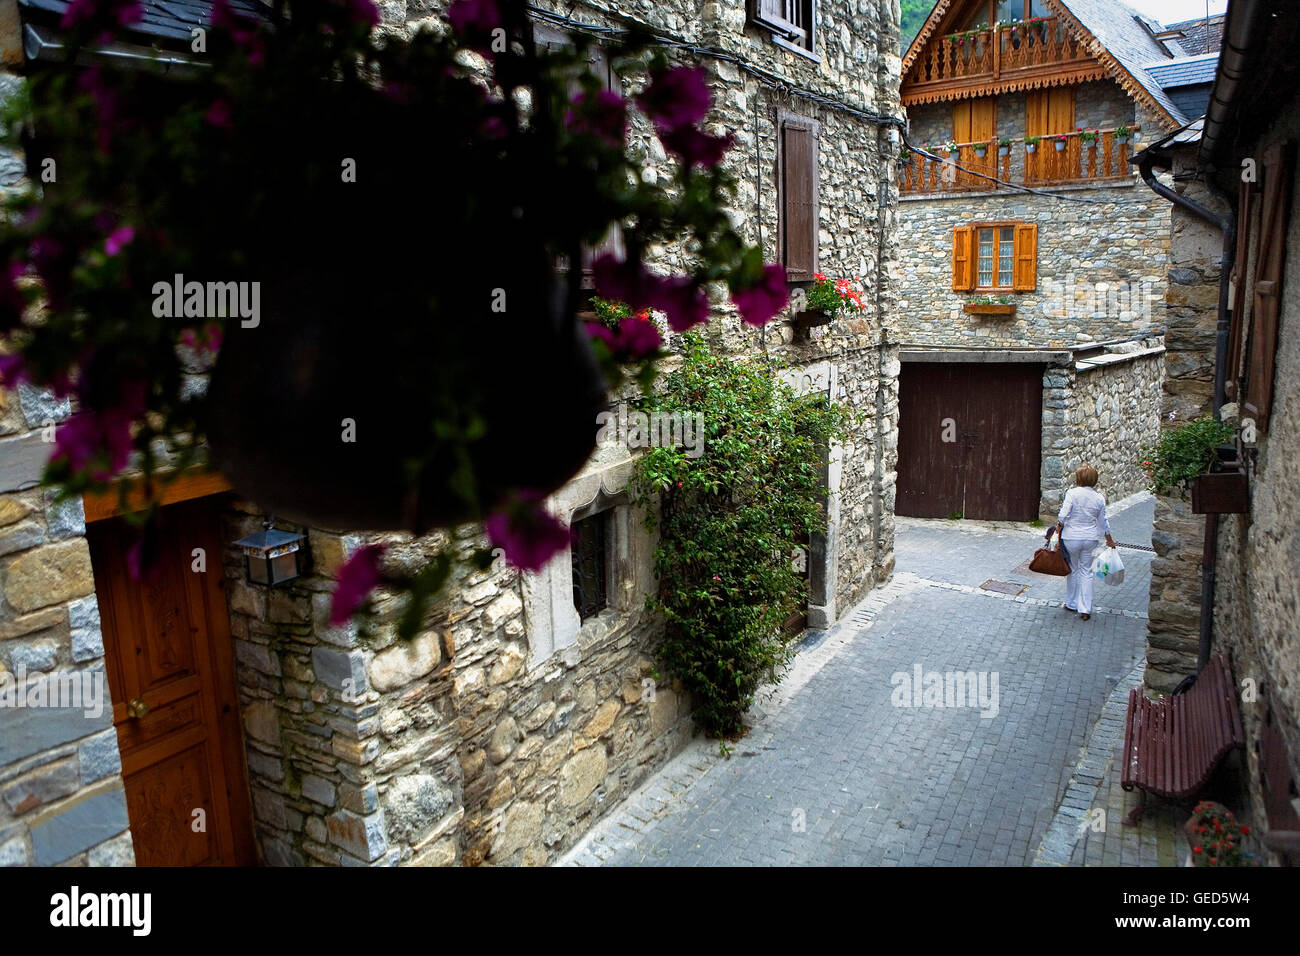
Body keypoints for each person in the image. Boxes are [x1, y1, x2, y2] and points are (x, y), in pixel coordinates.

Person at [1055, 464, 1116, 622]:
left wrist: (1060, 525)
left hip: (1071, 537)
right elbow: (1103, 522)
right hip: (1090, 538)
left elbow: (1063, 515)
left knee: (1073, 569)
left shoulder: (1072, 493)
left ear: (1078, 478)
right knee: (1086, 572)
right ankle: (1085, 608)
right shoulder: (1099, 498)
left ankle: (1071, 603)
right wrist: (1109, 539)